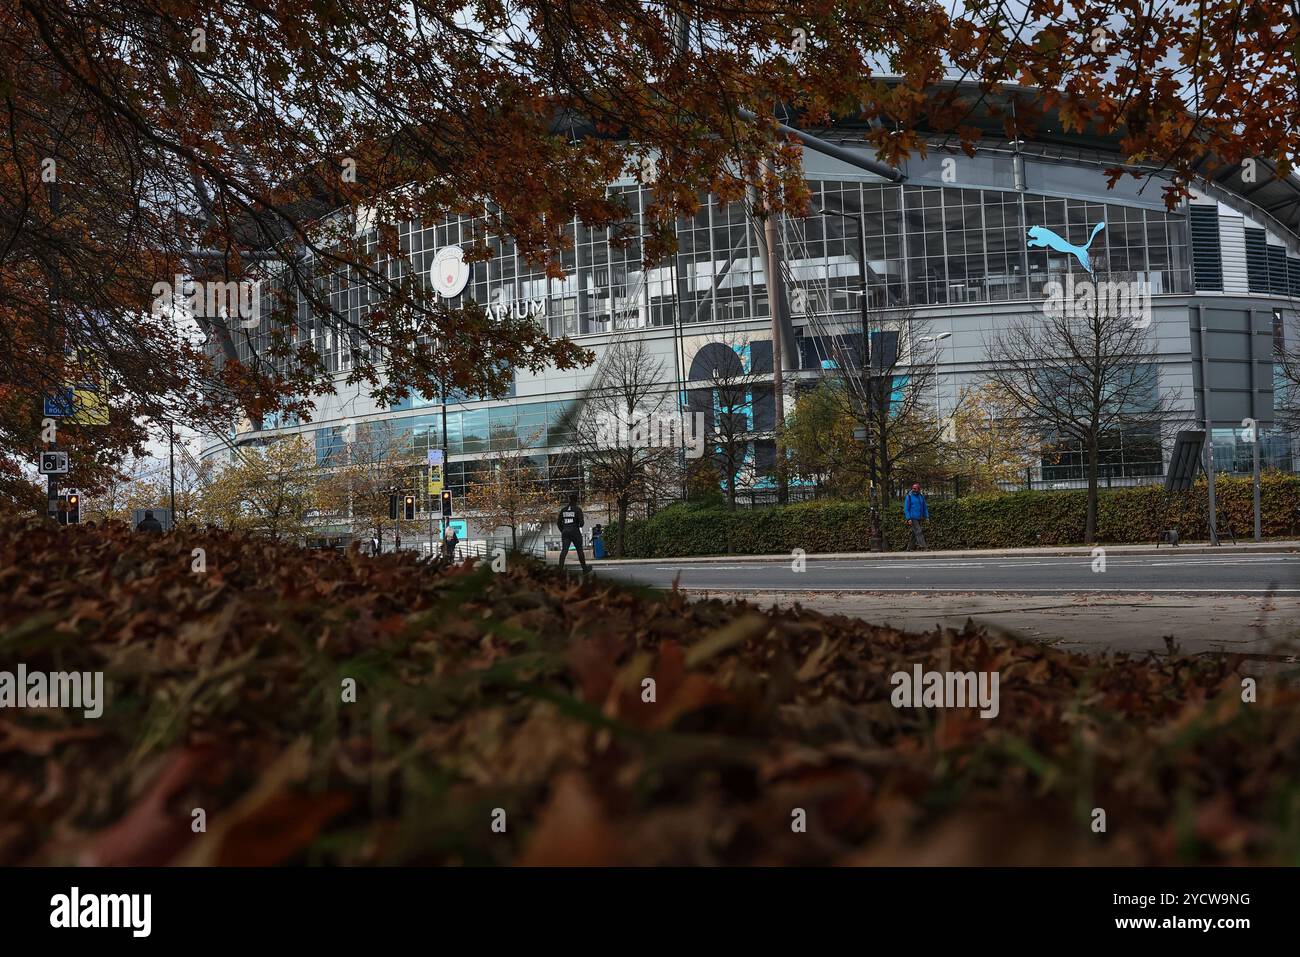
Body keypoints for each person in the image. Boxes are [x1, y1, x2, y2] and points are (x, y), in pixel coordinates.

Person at [557, 493, 588, 571]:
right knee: (579, 550)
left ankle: (560, 569)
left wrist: (563, 530)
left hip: (565, 532)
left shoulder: (563, 510)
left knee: (564, 550)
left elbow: (558, 523)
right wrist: (577, 524)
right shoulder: (577, 509)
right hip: (575, 532)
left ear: (569, 500)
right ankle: (585, 568)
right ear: (576, 500)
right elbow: (581, 523)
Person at [903, 483, 929, 550]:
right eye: (913, 488)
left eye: (915, 488)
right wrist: (908, 518)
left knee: (914, 533)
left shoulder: (921, 496)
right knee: (919, 531)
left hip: (920, 517)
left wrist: (926, 516)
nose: (913, 489)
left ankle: (909, 547)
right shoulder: (909, 496)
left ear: (919, 489)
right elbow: (906, 509)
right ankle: (923, 546)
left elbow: (924, 507)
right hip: (913, 517)